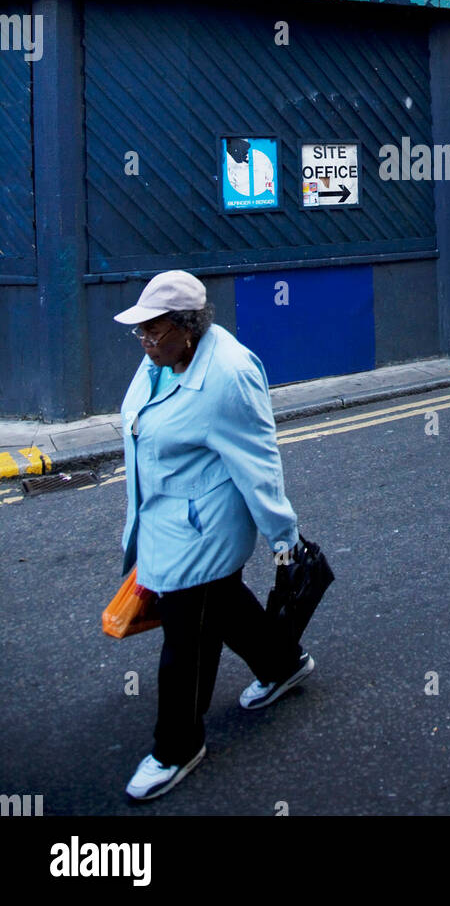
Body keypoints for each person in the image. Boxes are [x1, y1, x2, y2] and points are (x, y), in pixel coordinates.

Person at [114, 270, 313, 802]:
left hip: (201, 530)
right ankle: (283, 663)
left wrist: (283, 535)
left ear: (189, 327)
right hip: (167, 518)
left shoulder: (228, 373)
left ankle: (176, 747)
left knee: (186, 640)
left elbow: (258, 460)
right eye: (141, 331)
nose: (144, 341)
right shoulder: (160, 356)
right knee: (222, 605)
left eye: (153, 332)